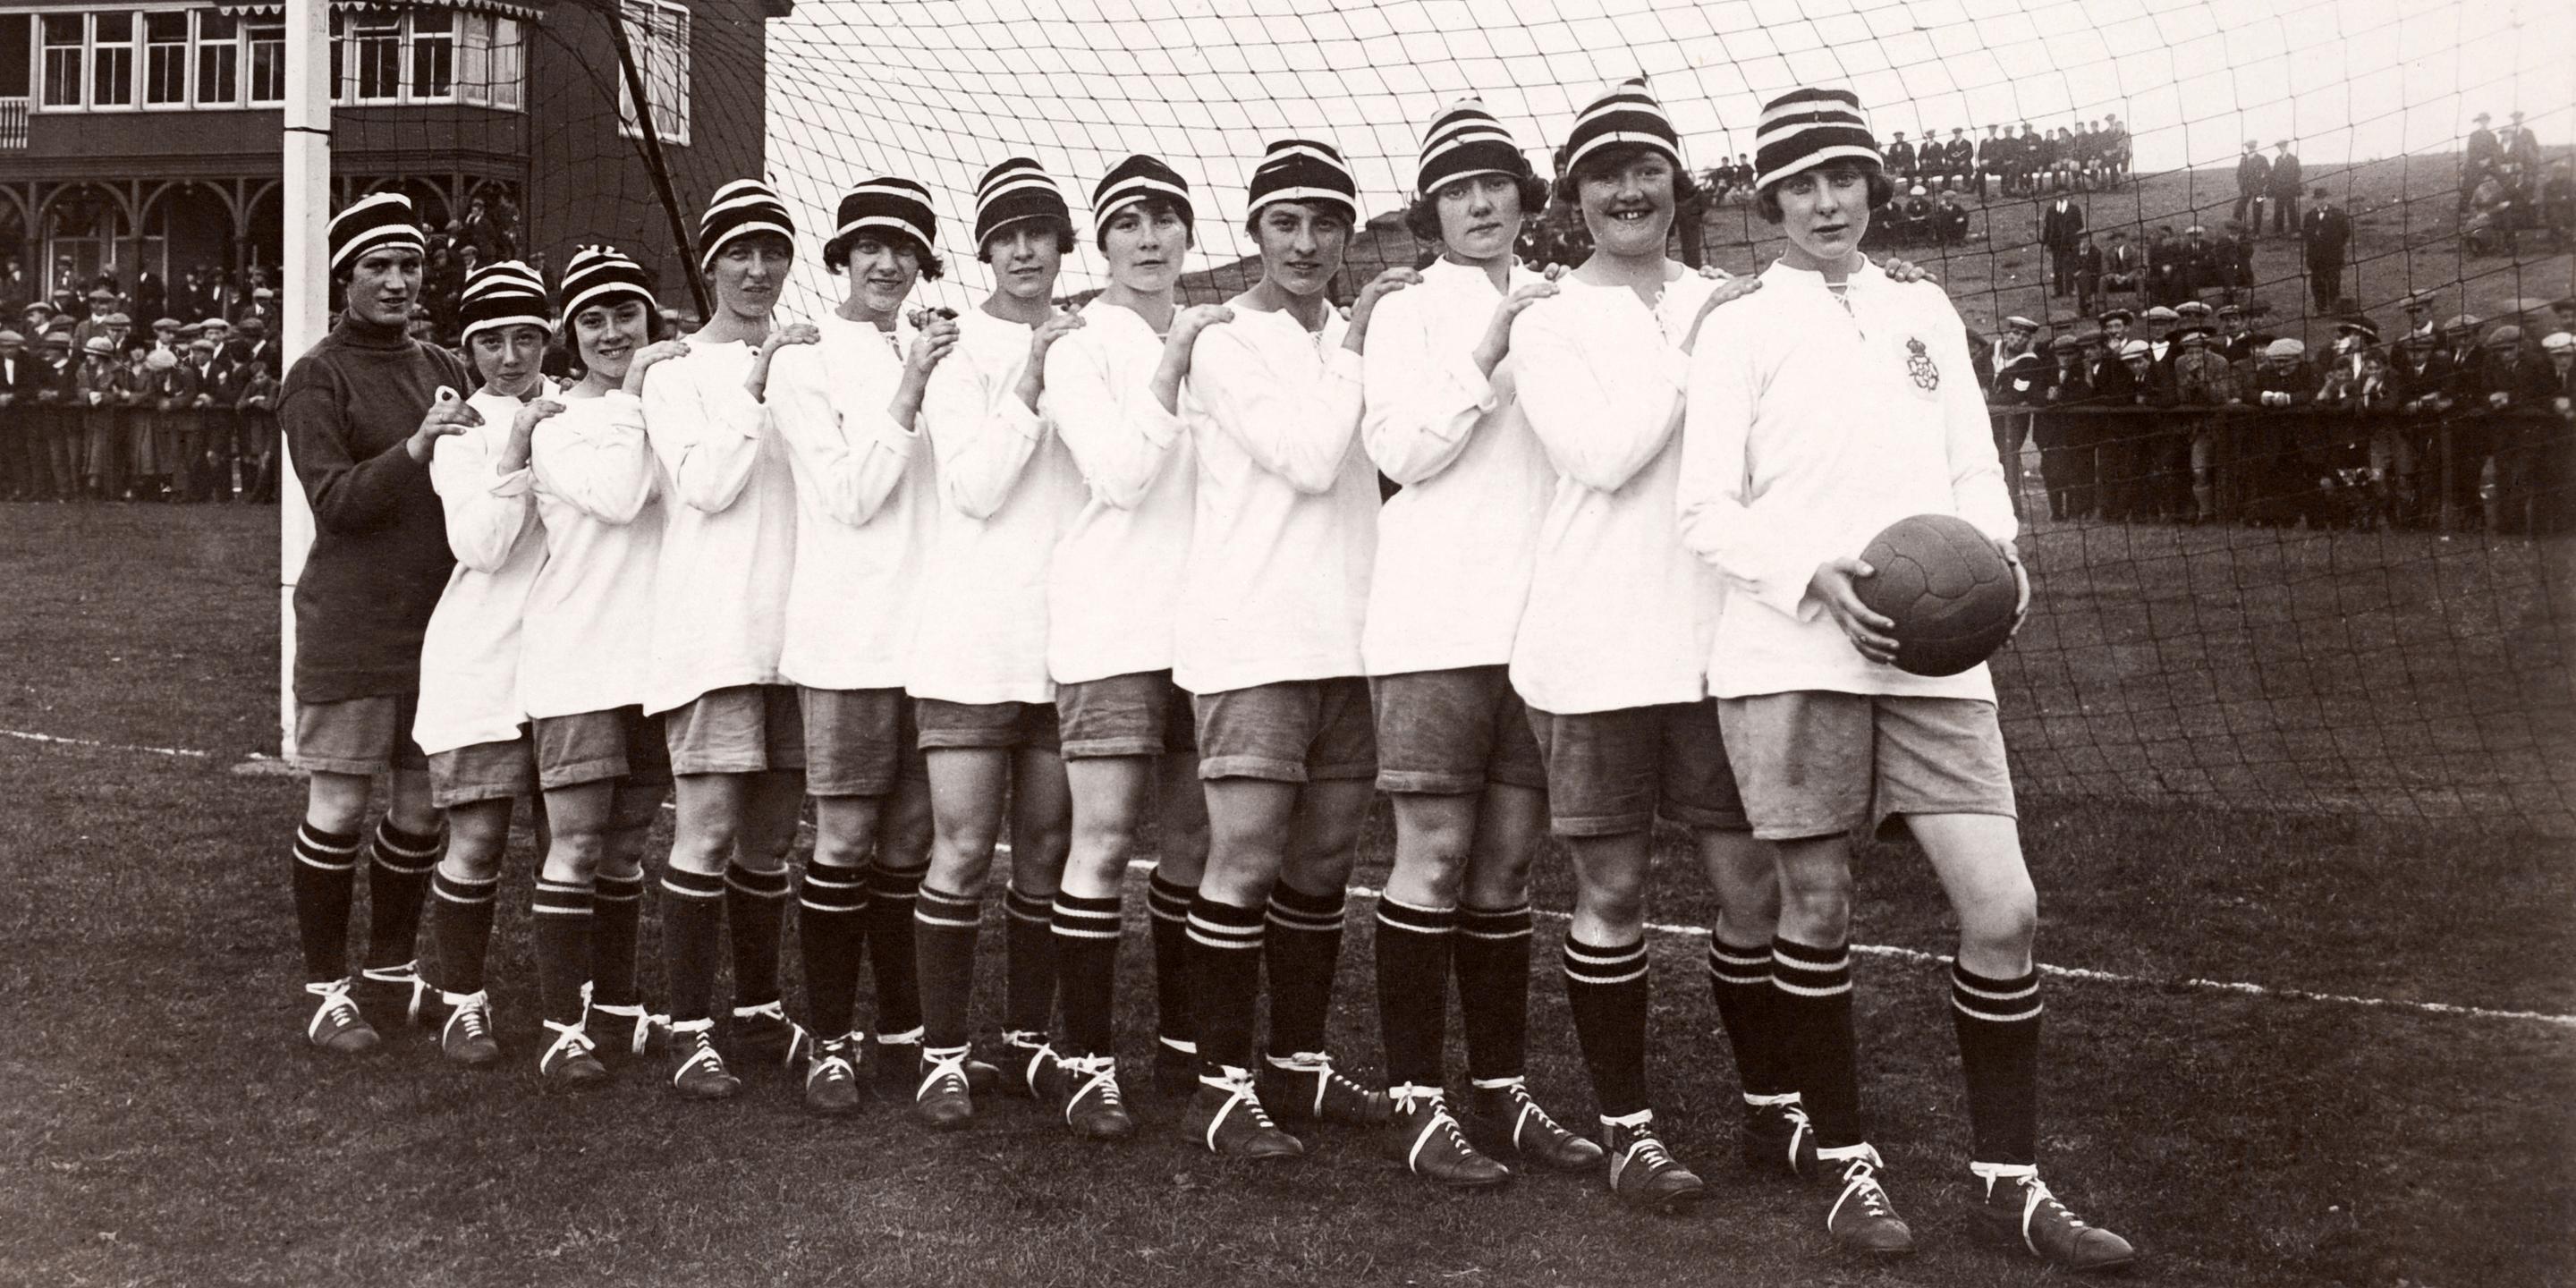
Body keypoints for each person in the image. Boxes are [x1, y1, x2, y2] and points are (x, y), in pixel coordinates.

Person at [1677, 86, 2135, 1271]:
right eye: (1802, 182)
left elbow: (1977, 474)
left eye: (1845, 177)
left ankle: (2008, 1183)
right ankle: (1845, 1168)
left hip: (1940, 668)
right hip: (1790, 655)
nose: (1826, 201)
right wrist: (1811, 579)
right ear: (1769, 196)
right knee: (1815, 910)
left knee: (2005, 909)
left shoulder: (1926, 306)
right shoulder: (1736, 324)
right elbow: (1705, 511)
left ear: (1875, 187)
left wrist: (2003, 568)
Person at [1506, 76, 1779, 1213]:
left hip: (1727, 648)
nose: (1628, 189)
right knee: (1610, 889)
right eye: (1604, 173)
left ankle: (1780, 1113)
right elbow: (1603, 457)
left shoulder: (1736, 300)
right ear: (1575, 196)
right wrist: (1696, 339)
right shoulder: (1544, 318)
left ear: (1678, 186)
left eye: (1648, 170)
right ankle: (1630, 1127)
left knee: (1753, 887)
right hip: (1594, 646)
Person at [1360, 98, 1600, 1188]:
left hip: (1538, 627)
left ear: (1523, 195)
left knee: (1506, 870)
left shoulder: (1567, 302)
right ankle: (1418, 1100)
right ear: (1433, 209)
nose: (1481, 202)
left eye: (1496, 183)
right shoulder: (1409, 309)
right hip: (1431, 624)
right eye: (1458, 189)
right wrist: (1493, 347)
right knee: (1437, 857)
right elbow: (1403, 452)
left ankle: (1500, 1094)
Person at [1174, 136, 1409, 1160]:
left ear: (1347, 233)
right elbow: (1312, 459)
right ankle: (1218, 1088)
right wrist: (1363, 339)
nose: (1306, 243)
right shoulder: (1225, 339)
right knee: (1248, 857)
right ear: (1255, 233)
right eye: (1285, 223)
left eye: (1325, 223)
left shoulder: (1355, 339)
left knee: (1321, 864)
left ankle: (1296, 1070)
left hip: (1352, 640)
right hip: (1253, 638)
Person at [763, 176, 956, 1115]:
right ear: (841, 258)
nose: (887, 263)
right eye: (870, 246)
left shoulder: (939, 346)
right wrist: (914, 384)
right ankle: (831, 1039)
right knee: (842, 839)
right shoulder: (804, 360)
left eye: (906, 248)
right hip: (846, 638)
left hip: (935, 640)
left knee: (913, 842)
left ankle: (905, 1033)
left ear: (925, 261)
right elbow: (849, 496)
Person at [907, 160, 1088, 1128]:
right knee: (966, 846)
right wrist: (1033, 376)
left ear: (1066, 245)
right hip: (972, 637)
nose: (1026, 250)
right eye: (1008, 234)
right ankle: (943, 1054)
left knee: (1049, 851)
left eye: (1043, 232)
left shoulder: (1088, 337)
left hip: (1067, 643)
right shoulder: (950, 342)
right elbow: (974, 486)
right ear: (986, 249)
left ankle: (1027, 1045)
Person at [1038, 153, 1219, 1112]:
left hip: (1208, 631)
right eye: (1130, 224)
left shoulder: (1217, 332)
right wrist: (1175, 360)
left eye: (1165, 222)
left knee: (1193, 846)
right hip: (1110, 627)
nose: (1150, 241)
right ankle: (1088, 1062)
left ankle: (1184, 1051)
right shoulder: (1079, 344)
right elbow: (1119, 475)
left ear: (1190, 235)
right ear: (1103, 241)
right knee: (1103, 844)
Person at [278, 192, 474, 1053]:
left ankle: (391, 968)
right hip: (354, 625)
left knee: (423, 805)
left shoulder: (441, 362)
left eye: (409, 268)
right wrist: (417, 450)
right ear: (344, 280)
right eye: (377, 269)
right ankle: (326, 988)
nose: (397, 282)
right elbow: (335, 502)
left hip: (441, 625)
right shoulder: (316, 375)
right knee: (340, 803)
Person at [640, 179, 814, 1100]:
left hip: (798, 639)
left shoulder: (807, 359)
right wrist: (758, 381)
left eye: (773, 252)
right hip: (712, 635)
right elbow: (707, 485)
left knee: (770, 841)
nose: (757, 269)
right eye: (740, 253)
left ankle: (756, 1007)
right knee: (704, 833)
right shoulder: (670, 374)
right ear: (708, 264)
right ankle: (687, 1025)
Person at [517, 245, 689, 1084]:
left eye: (627, 315)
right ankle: (560, 1025)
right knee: (577, 845)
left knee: (626, 845)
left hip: (653, 664)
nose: (613, 331)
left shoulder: (658, 397)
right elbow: (622, 498)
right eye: (594, 319)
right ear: (569, 335)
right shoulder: (553, 422)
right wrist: (634, 398)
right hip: (576, 658)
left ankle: (614, 1005)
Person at [411, 261, 561, 1067]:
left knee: (574, 843)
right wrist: (520, 448)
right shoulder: (461, 429)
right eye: (492, 340)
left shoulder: (574, 404)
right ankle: (461, 1000)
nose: (511, 355)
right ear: (468, 348)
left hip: (569, 658)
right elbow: (482, 545)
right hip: (480, 658)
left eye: (526, 336)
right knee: (478, 840)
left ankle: (586, 1006)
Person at [2301, 189, 2350, 313]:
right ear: (2315, 200)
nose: (2321, 201)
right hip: (2316, 257)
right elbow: (2307, 235)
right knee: (2317, 282)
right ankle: (2320, 307)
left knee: (2334, 281)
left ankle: (2334, 307)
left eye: (2323, 198)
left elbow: (2345, 233)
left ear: (2328, 199)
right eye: (2318, 199)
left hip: (2333, 255)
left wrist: (2335, 246)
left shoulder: (2338, 214)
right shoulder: (2310, 216)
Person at [2039, 192, 2082, 298]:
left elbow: (2080, 225)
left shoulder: (2074, 208)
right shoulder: (2051, 209)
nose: (2061, 195)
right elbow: (2047, 226)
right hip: (2056, 241)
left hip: (2069, 242)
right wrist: (2046, 242)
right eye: (2058, 192)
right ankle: (2058, 290)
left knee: (2069, 265)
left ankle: (2070, 289)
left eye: (2063, 192)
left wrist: (2074, 237)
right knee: (2057, 266)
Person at [2267, 141, 2304, 235]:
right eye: (2279, 147)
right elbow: (2275, 173)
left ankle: (2295, 230)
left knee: (2291, 208)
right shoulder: (2278, 159)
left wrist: (2292, 183)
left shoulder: (2293, 159)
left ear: (2286, 147)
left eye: (2283, 146)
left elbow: (2298, 172)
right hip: (2279, 188)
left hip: (2289, 188)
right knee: (2278, 208)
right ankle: (2279, 230)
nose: (2281, 148)